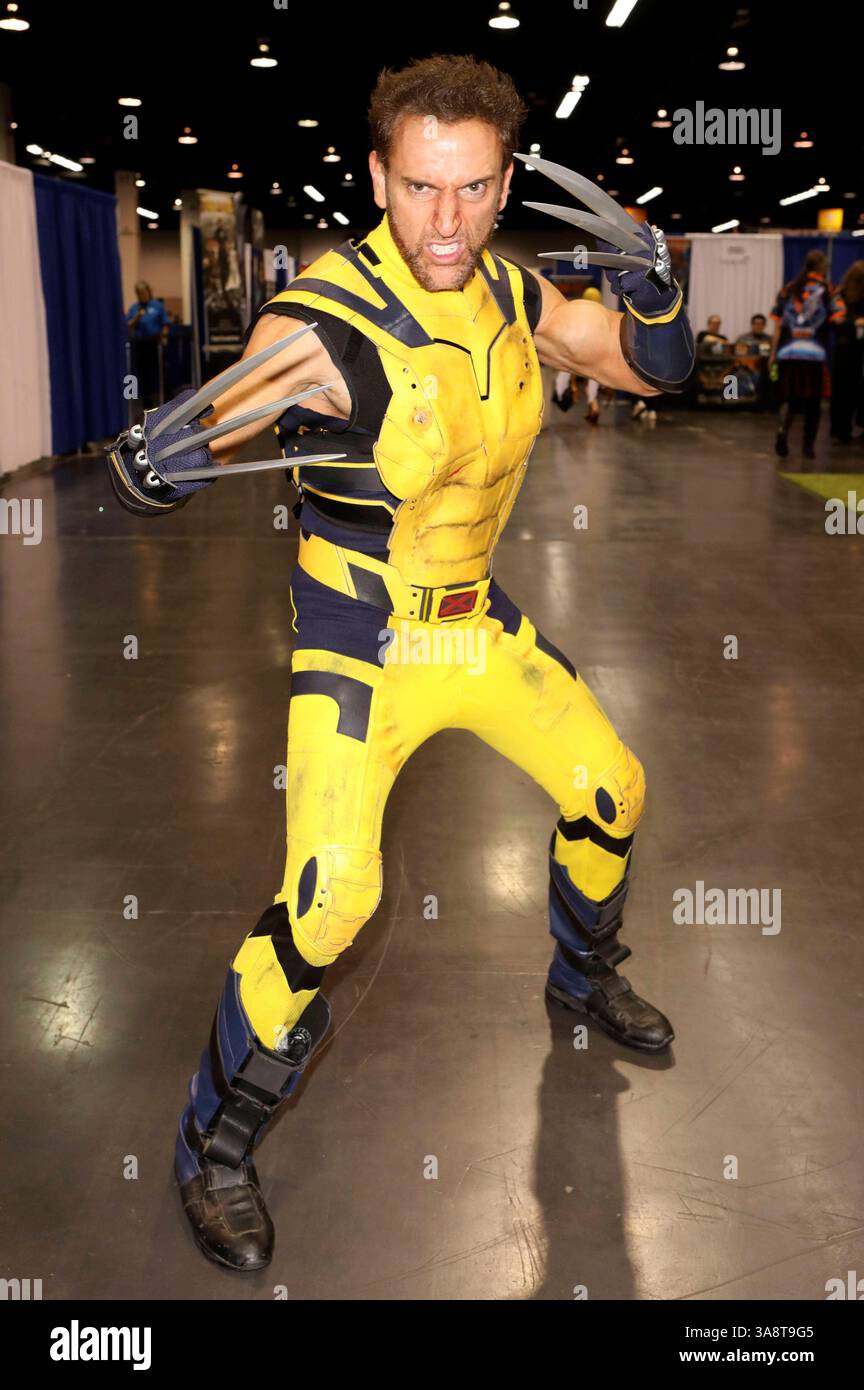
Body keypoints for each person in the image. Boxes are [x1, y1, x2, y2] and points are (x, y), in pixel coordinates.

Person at [106, 53, 694, 1271]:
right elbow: (237, 404)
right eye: (421, 187)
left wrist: (657, 301)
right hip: (360, 633)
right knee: (334, 897)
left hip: (472, 621)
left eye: (474, 190)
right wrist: (167, 451)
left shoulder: (510, 295)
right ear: (379, 175)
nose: (446, 221)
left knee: (613, 787)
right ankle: (208, 1141)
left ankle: (583, 975)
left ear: (500, 184)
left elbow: (645, 370)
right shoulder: (331, 315)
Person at [769, 249, 844, 459]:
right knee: (813, 402)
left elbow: (777, 324)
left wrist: (773, 353)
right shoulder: (828, 289)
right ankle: (808, 447)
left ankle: (782, 433)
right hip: (814, 356)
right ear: (821, 266)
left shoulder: (788, 289)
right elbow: (839, 316)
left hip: (788, 354)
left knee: (789, 399)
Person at [829, 261, 864, 443]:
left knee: (844, 391)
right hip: (848, 348)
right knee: (845, 390)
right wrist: (856, 322)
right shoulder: (840, 295)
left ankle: (841, 429)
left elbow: (839, 321)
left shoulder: (839, 295)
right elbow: (836, 321)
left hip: (847, 348)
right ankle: (841, 430)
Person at [126, 281, 170, 409]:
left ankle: (167, 400)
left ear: (148, 292)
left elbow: (165, 324)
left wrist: (164, 337)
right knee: (142, 375)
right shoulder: (134, 308)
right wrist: (137, 317)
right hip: (140, 343)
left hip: (155, 343)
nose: (141, 295)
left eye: (143, 292)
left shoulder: (157, 305)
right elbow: (128, 325)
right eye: (138, 293)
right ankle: (147, 404)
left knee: (160, 372)